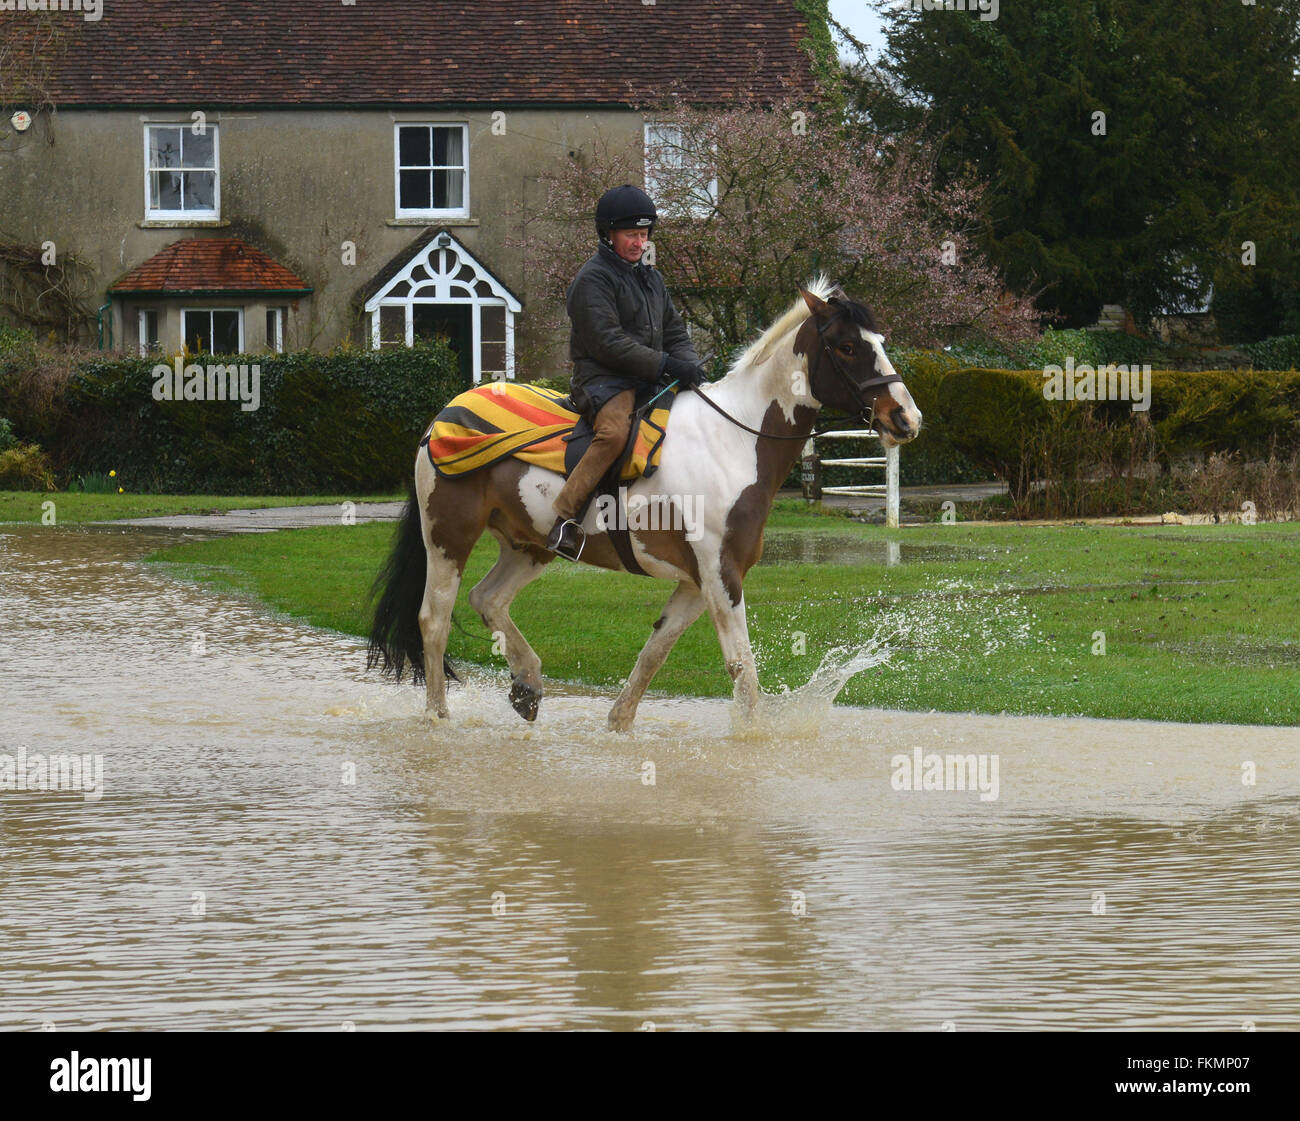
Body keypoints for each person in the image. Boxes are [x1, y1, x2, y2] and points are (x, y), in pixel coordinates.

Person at [546, 184, 709, 560]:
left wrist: (691, 366)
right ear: (608, 234)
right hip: (604, 380)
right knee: (615, 433)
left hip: (648, 376)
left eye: (643, 234)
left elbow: (674, 332)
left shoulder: (651, 278)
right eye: (631, 235)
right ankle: (565, 519)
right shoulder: (591, 280)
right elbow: (608, 343)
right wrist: (668, 365)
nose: (639, 243)